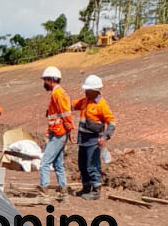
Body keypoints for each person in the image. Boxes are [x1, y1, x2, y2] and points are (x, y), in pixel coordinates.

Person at [71, 74, 115, 199]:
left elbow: (111, 122)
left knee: (92, 165)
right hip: (83, 140)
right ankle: (86, 187)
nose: (85, 92)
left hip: (94, 140)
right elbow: (72, 105)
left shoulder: (102, 104)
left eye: (88, 90)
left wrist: (105, 137)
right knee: (82, 164)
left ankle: (96, 191)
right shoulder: (84, 101)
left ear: (95, 91)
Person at [37, 66, 74, 197]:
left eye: (45, 80)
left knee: (45, 162)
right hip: (57, 131)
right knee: (58, 163)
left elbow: (65, 113)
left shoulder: (58, 93)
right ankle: (63, 187)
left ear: (51, 80)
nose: (44, 83)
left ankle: (44, 188)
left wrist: (69, 128)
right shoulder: (56, 93)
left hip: (59, 132)